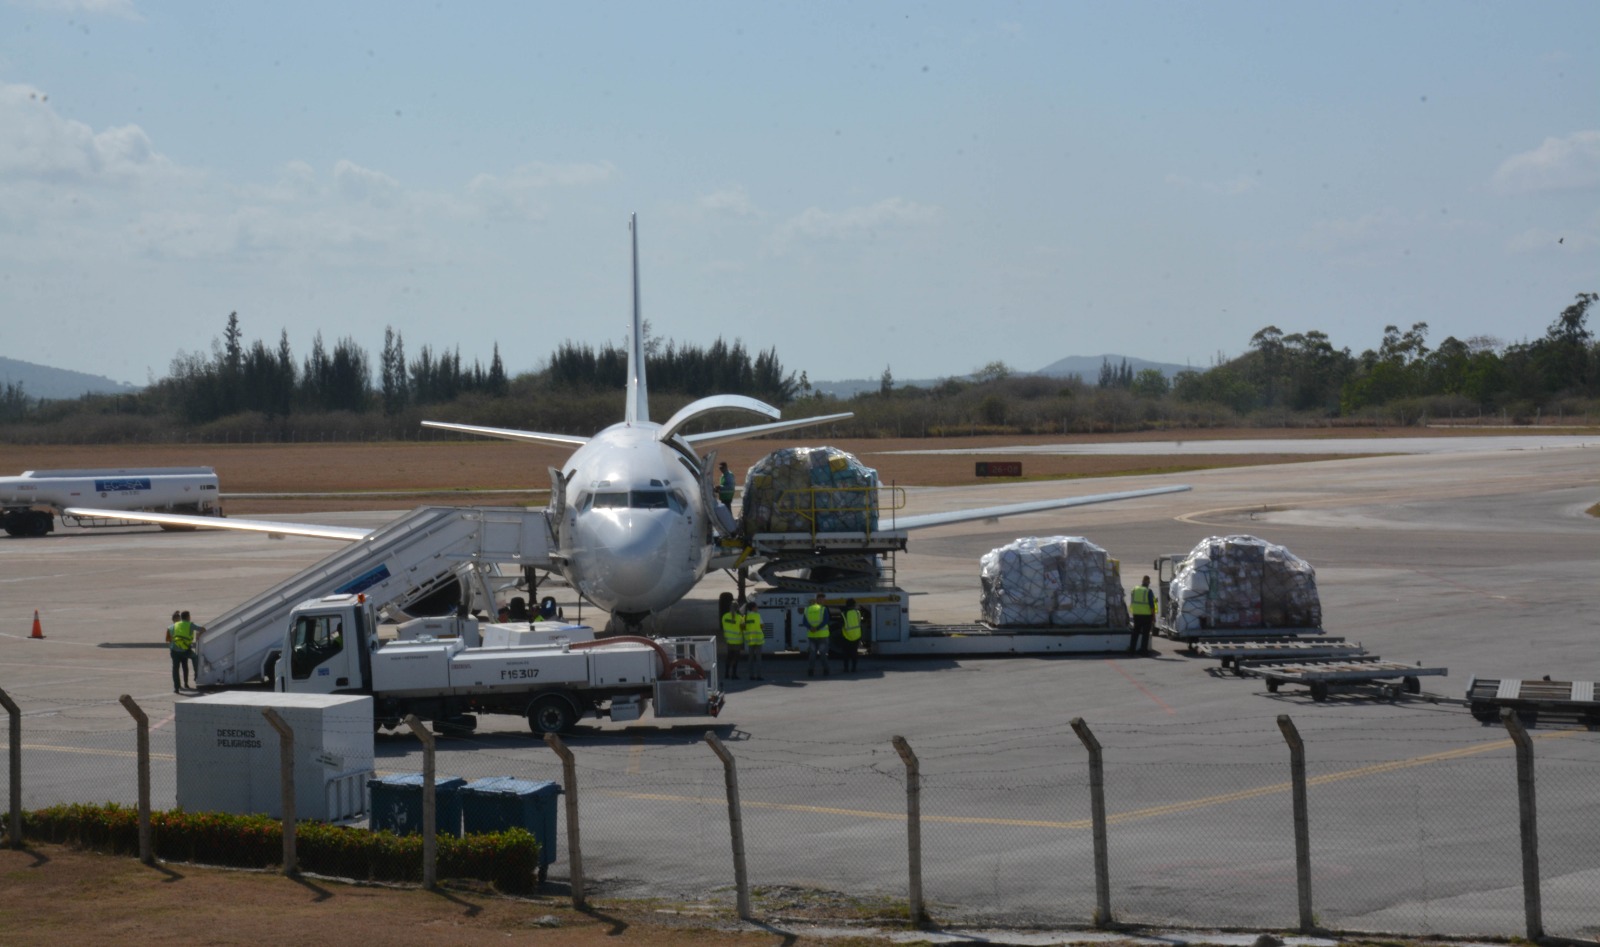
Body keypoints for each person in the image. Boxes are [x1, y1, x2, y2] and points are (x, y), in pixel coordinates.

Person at [167, 609, 198, 692]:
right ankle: (184, 684)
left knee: (176, 669)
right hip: (184, 650)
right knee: (184, 667)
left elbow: (168, 640)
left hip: (175, 651)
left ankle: (177, 687)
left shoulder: (171, 627)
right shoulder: (182, 626)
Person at [803, 593, 831, 677]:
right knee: (823, 654)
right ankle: (826, 670)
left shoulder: (807, 609)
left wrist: (811, 628)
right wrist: (817, 628)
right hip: (822, 635)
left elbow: (804, 622)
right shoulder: (823, 609)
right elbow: (826, 620)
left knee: (812, 654)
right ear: (818, 599)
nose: (823, 601)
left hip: (812, 635)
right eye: (823, 599)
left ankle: (811, 670)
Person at [1129, 575, 1157, 654]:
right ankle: (1143, 650)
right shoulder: (1148, 591)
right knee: (1145, 634)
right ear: (1148, 582)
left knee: (1135, 633)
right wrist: (1153, 617)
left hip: (1136, 614)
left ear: (1142, 581)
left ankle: (1131, 650)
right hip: (1146, 615)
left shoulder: (1135, 589)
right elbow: (1152, 605)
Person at [740, 600, 765, 681]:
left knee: (750, 658)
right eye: (756, 607)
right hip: (758, 639)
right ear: (753, 608)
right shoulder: (757, 616)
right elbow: (762, 626)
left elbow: (742, 627)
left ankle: (751, 675)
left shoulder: (744, 617)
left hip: (750, 640)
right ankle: (759, 676)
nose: (757, 608)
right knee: (758, 659)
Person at [721, 596, 744, 679]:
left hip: (729, 640)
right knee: (735, 658)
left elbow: (724, 627)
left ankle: (726, 673)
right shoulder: (740, 618)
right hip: (737, 640)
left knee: (729, 657)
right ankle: (734, 674)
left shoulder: (725, 616)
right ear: (738, 608)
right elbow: (743, 628)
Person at [840, 598, 863, 673]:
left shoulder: (844, 614)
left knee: (846, 653)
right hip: (857, 635)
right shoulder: (858, 612)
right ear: (854, 605)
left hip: (847, 635)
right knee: (854, 652)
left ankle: (846, 669)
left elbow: (841, 625)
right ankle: (854, 668)